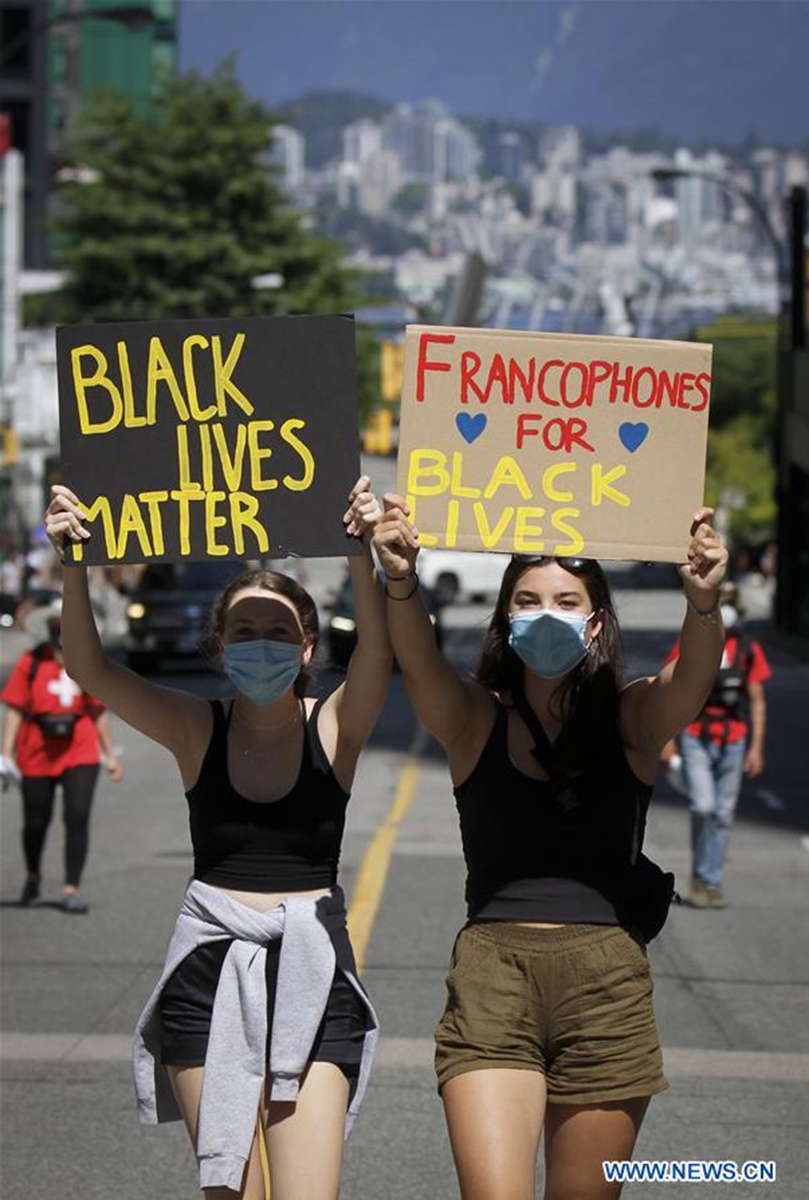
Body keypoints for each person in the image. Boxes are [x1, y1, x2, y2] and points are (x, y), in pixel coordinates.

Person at [44, 476, 391, 1200]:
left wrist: (362, 553)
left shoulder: (333, 726)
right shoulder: (196, 728)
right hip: (208, 973)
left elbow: (376, 664)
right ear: (218, 646)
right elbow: (90, 669)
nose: (259, 646)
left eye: (275, 633)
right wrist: (72, 562)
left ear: (305, 646)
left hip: (313, 974)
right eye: (243, 632)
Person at [373, 496, 728, 1200]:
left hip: (605, 987)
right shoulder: (474, 717)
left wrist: (702, 603)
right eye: (527, 599)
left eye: (565, 600)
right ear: (505, 617)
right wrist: (401, 581)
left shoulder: (631, 716)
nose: (544, 613)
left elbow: (690, 682)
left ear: (595, 621)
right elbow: (417, 666)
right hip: (491, 980)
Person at [1, 599, 123, 912]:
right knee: (36, 820)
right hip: (36, 751)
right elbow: (15, 709)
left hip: (79, 749)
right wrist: (6, 754)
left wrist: (110, 756)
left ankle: (72, 888)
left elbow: (98, 713)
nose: (62, 632)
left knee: (77, 815)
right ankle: (33, 876)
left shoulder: (86, 664)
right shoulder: (31, 663)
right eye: (57, 626)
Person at [661, 580, 770, 910]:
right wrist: (667, 741)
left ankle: (711, 881)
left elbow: (758, 702)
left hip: (733, 740)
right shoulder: (692, 643)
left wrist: (756, 748)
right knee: (703, 806)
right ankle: (699, 875)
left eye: (731, 603)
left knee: (723, 814)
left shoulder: (748, 649)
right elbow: (667, 688)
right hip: (695, 736)